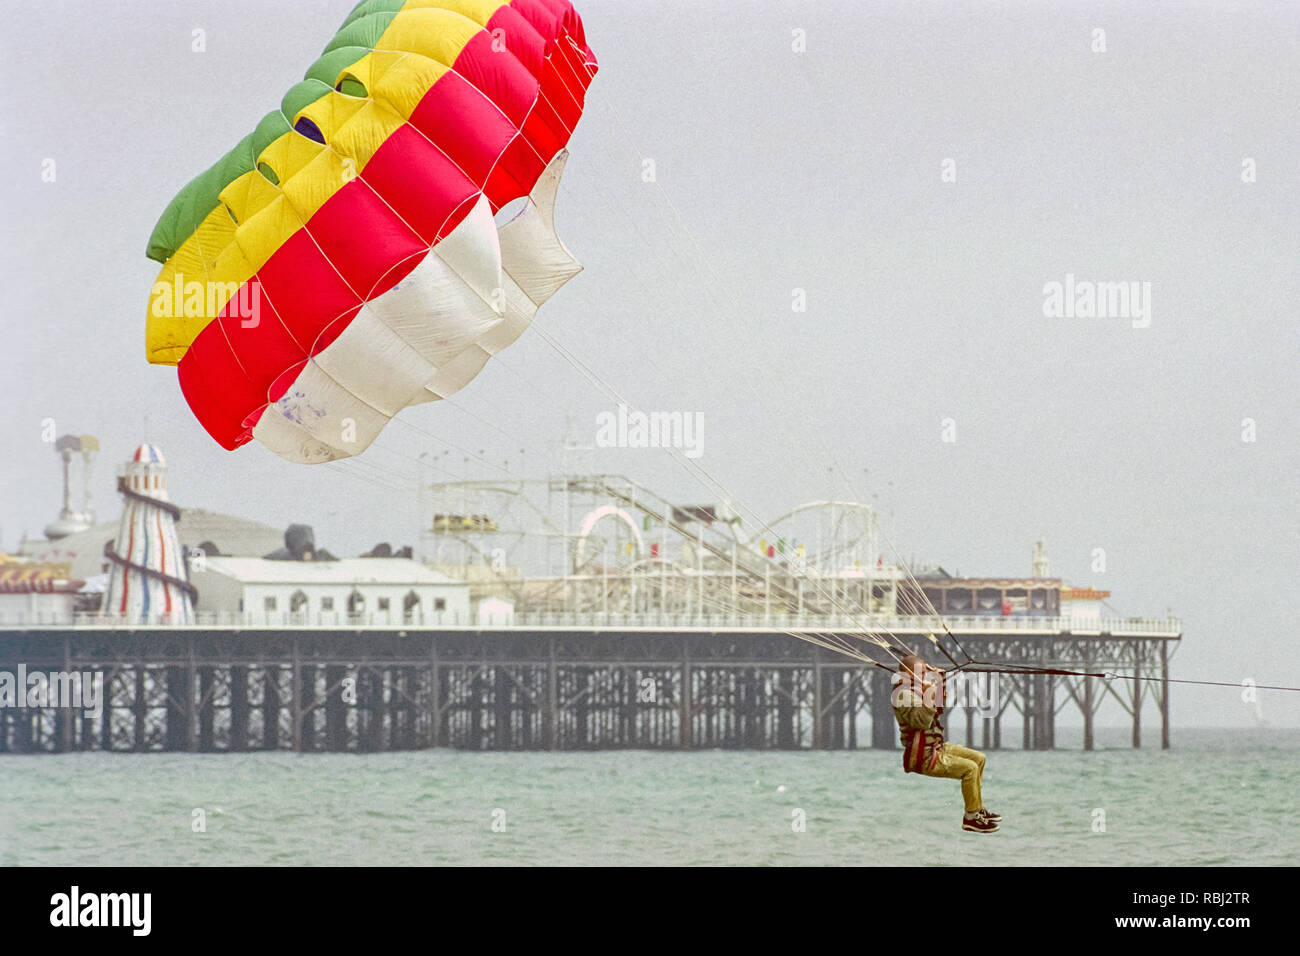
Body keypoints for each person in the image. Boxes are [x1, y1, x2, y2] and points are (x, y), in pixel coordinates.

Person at [893, 653, 1002, 833]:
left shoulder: (917, 689)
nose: (925, 676)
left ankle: (977, 808)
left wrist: (939, 681)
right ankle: (971, 818)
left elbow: (939, 708)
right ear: (909, 675)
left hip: (936, 746)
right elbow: (921, 722)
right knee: (970, 769)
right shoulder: (903, 694)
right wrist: (929, 693)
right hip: (923, 756)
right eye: (921, 673)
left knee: (979, 758)